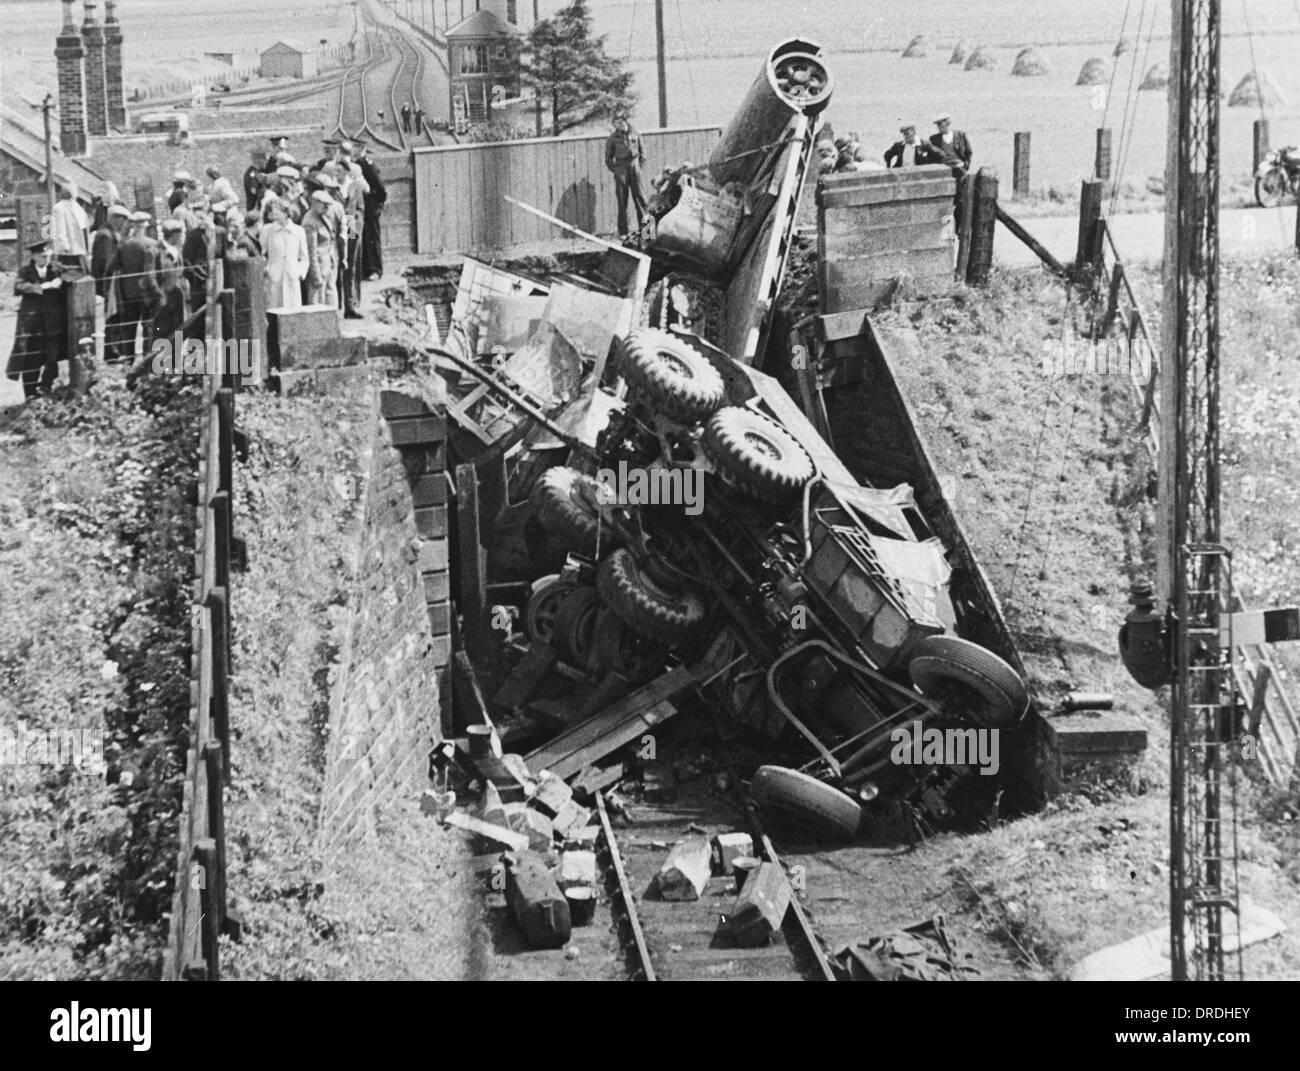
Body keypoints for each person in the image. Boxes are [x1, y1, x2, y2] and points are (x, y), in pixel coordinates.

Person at [6, 240, 66, 399]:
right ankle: (30, 395)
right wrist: (45, 286)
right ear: (33, 256)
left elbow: (72, 276)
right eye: (41, 256)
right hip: (32, 325)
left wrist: (63, 281)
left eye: (47, 255)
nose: (45, 258)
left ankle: (45, 388)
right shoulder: (25, 271)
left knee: (52, 358)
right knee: (31, 361)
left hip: (52, 323)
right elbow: (18, 287)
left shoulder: (56, 270)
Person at [104, 213, 161, 364]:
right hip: (148, 293)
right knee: (148, 327)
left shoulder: (124, 245)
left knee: (129, 328)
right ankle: (147, 361)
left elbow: (111, 266)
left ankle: (128, 360)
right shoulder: (153, 244)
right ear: (146, 225)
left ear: (133, 225)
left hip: (129, 293)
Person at [261, 198, 308, 310]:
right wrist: (267, 269)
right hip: (274, 275)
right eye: (273, 210)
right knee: (273, 308)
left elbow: (304, 258)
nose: (274, 213)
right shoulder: (268, 230)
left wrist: (299, 273)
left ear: (286, 212)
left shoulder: (298, 231)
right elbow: (261, 252)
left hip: (291, 276)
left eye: (278, 210)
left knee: (292, 308)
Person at [605, 112, 647, 237]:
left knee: (641, 198)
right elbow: (608, 158)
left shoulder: (636, 134)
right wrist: (616, 170)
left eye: (621, 122)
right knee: (622, 201)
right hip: (621, 168)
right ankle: (623, 232)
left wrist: (639, 167)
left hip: (635, 167)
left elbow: (643, 153)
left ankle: (648, 232)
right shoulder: (612, 138)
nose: (619, 125)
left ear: (626, 122)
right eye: (616, 123)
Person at [302, 190, 340, 308]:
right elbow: (311, 252)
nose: (326, 208)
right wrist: (315, 274)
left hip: (328, 263)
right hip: (318, 267)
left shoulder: (324, 216)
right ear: (314, 203)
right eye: (323, 204)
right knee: (317, 301)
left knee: (329, 297)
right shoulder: (310, 222)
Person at [357, 145, 386, 280]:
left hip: (369, 210)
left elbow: (380, 190)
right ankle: (363, 269)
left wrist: (376, 207)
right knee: (358, 239)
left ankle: (375, 269)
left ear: (360, 149)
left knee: (372, 239)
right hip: (355, 212)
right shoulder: (354, 165)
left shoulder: (367, 165)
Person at [91, 203, 130, 299]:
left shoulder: (109, 233)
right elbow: (106, 263)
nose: (125, 225)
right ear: (119, 220)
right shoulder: (105, 236)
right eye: (125, 221)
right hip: (106, 285)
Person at [50, 185, 90, 271]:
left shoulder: (77, 207)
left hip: (80, 251)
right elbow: (59, 229)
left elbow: (84, 227)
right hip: (68, 253)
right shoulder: (59, 208)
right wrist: (65, 247)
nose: (76, 194)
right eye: (74, 191)